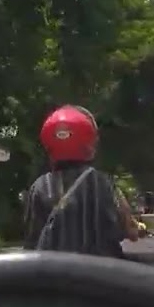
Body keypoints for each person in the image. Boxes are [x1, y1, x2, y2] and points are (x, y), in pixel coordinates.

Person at [22, 104, 139, 256]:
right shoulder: (103, 183)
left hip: (52, 274)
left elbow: (32, 238)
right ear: (89, 143)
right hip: (99, 273)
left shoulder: (39, 186)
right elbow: (129, 230)